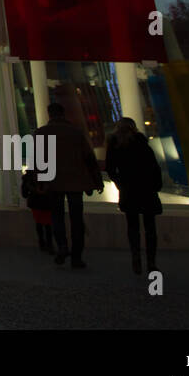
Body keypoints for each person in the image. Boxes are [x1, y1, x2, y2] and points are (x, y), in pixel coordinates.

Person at [33, 102, 103, 269]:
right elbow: (89, 158)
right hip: (76, 181)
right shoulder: (75, 133)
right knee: (76, 219)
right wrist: (96, 180)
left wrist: (39, 181)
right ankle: (77, 255)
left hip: (53, 182)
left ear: (50, 114)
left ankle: (62, 246)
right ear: (63, 114)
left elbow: (37, 160)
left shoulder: (41, 133)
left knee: (56, 216)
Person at [105, 117, 163, 274]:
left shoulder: (115, 145)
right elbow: (154, 166)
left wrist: (120, 183)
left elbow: (110, 168)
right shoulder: (141, 143)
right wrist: (156, 185)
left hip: (129, 190)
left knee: (132, 227)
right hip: (146, 189)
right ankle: (151, 262)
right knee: (150, 227)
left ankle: (136, 258)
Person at [20, 169, 54, 254]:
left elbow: (24, 193)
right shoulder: (49, 173)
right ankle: (49, 245)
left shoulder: (29, 175)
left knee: (39, 223)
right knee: (47, 224)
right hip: (47, 202)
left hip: (35, 202)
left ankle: (42, 243)